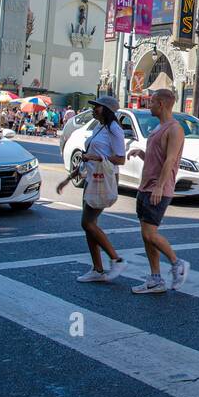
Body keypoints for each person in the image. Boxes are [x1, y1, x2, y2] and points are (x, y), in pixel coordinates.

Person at [125, 88, 192, 294]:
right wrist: (142, 153)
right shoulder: (159, 127)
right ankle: (155, 278)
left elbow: (171, 160)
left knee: (150, 233)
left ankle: (177, 263)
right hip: (146, 185)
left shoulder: (174, 129)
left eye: (152, 102)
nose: (149, 105)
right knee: (146, 235)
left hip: (158, 188)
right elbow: (159, 158)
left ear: (161, 104)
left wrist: (160, 186)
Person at [57, 95, 129, 282]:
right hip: (91, 178)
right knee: (89, 226)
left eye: (97, 106)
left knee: (87, 223)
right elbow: (88, 156)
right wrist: (69, 179)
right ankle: (97, 268)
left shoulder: (114, 129)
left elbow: (121, 159)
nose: (93, 109)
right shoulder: (99, 126)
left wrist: (96, 158)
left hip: (103, 179)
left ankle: (116, 259)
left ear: (106, 110)